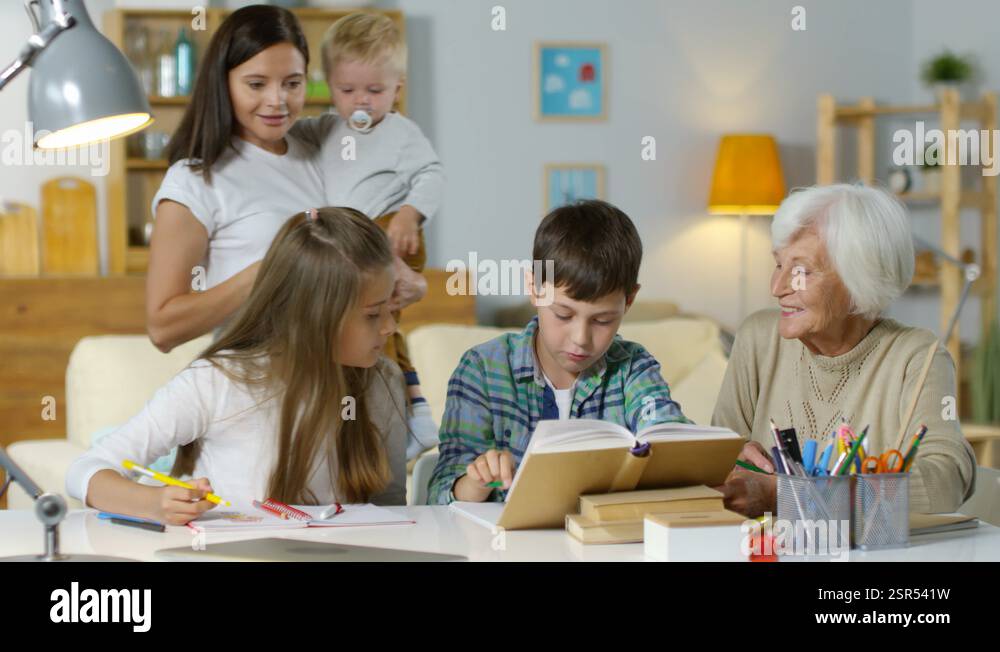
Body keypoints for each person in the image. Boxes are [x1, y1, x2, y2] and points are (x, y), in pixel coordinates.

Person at [67, 208, 408, 525]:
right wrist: (154, 503)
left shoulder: (383, 381)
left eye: (390, 307)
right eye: (372, 314)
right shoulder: (219, 381)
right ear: (313, 317)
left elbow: (390, 507)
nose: (389, 326)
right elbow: (86, 471)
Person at [712, 183, 976, 516]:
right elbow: (715, 462)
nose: (776, 288)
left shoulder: (918, 357)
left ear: (859, 282)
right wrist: (728, 462)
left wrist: (789, 495)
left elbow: (946, 482)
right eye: (779, 265)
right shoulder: (758, 338)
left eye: (801, 271)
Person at [428, 200, 689, 504]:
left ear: (629, 301)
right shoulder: (482, 369)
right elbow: (437, 496)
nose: (580, 339)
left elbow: (670, 435)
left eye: (602, 320)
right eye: (563, 315)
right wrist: (476, 481)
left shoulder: (633, 368)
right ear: (534, 287)